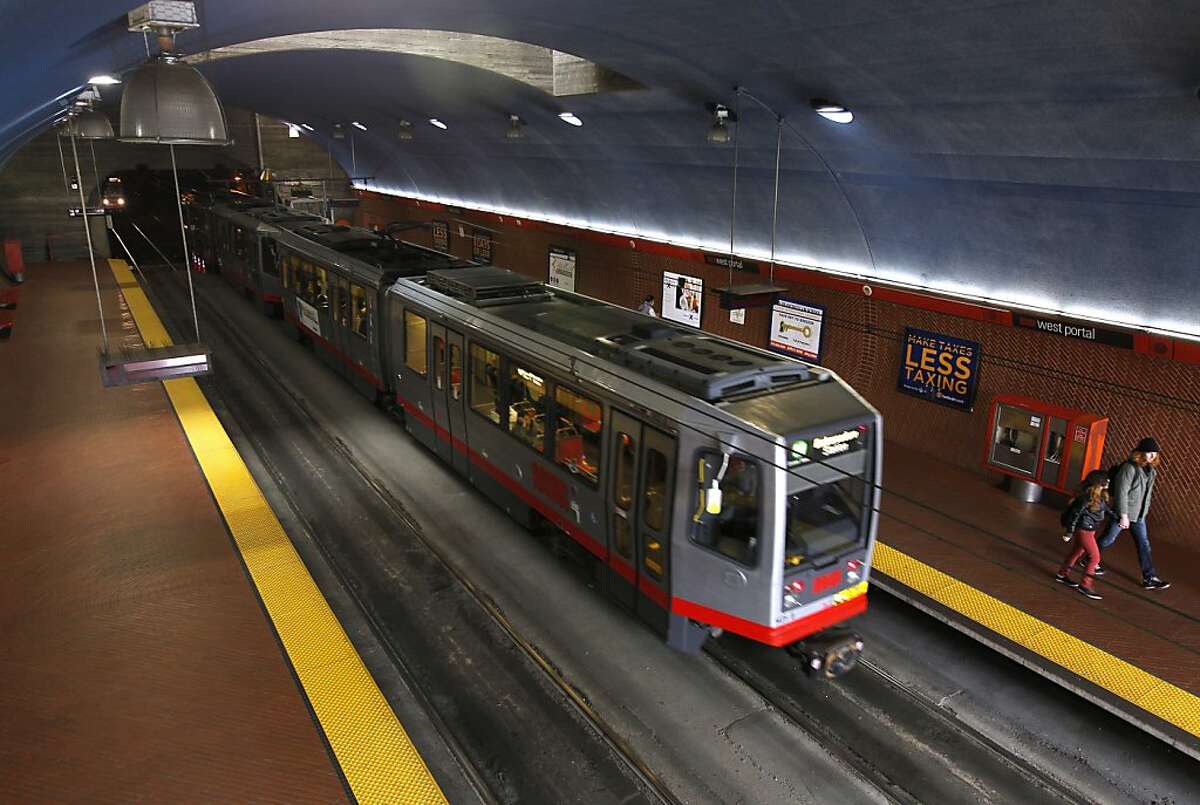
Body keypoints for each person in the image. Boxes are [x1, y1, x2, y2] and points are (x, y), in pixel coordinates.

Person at [1094, 437, 1170, 590]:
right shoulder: (1129, 468)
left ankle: (1149, 578)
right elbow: (1122, 492)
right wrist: (1123, 515)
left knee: (1144, 544)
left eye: (1154, 454)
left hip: (1139, 515)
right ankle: (1090, 557)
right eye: (1149, 453)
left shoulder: (1151, 471)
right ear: (1140, 453)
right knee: (1108, 539)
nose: (1152, 456)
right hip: (1124, 513)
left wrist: (1143, 512)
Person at [1054, 470, 1112, 600]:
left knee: (1076, 552)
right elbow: (1075, 514)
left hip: (1090, 529)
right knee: (1095, 557)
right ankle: (1085, 585)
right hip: (1084, 530)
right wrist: (1069, 532)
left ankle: (1062, 574)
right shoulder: (1087, 497)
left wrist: (1117, 517)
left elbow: (1105, 509)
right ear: (1099, 482)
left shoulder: (1100, 495)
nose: (1108, 482)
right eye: (1106, 480)